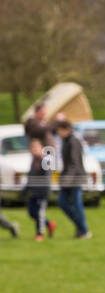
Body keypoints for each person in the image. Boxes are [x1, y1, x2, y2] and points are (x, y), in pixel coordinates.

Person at [53, 116, 90, 239]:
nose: (58, 133)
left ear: (67, 129)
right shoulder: (65, 140)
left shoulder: (74, 141)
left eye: (60, 130)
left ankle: (84, 230)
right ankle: (81, 227)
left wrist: (66, 179)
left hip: (76, 178)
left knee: (77, 204)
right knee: (62, 202)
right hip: (67, 178)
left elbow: (74, 163)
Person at [23, 101, 55, 240]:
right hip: (34, 190)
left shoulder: (45, 161)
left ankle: (39, 234)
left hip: (42, 191)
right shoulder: (32, 122)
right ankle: (50, 224)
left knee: (40, 212)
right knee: (31, 212)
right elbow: (31, 177)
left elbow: (46, 173)